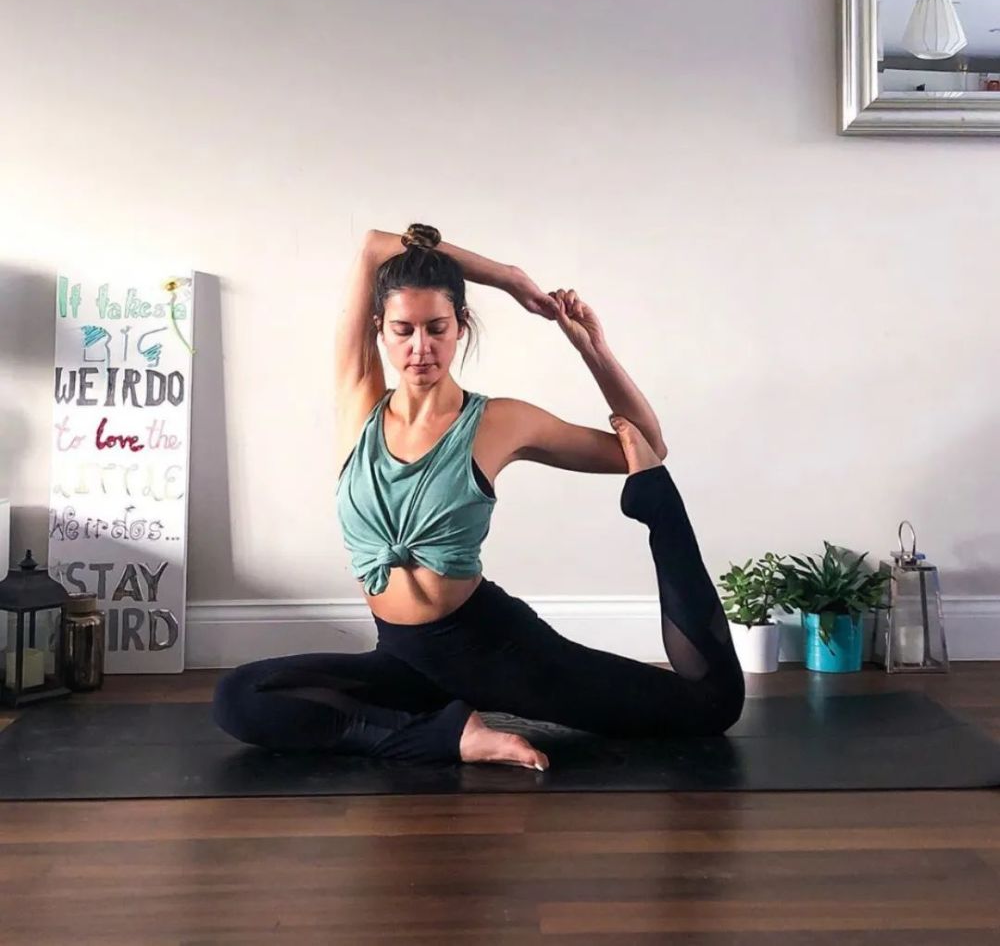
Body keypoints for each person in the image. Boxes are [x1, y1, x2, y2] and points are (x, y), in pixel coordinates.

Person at [212, 223, 745, 770]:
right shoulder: (359, 405)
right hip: (405, 658)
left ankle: (658, 511)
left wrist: (592, 348)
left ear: (460, 327)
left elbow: (646, 444)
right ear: (380, 330)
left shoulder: (498, 422)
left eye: (437, 328)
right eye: (403, 330)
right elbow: (373, 246)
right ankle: (453, 735)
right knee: (239, 697)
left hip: (497, 652)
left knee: (710, 706)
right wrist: (509, 278)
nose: (420, 347)